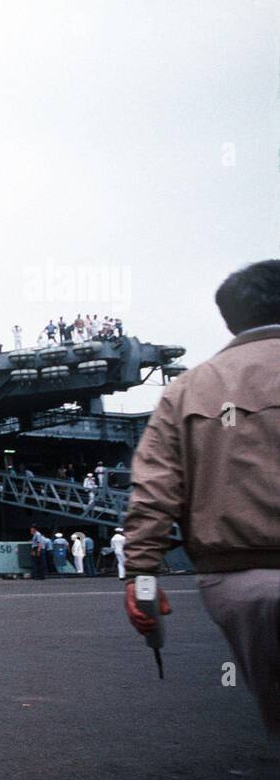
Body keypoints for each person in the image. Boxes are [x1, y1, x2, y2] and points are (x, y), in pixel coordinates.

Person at [122, 260, 280, 736]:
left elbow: (153, 494)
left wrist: (141, 579)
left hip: (243, 584)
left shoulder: (188, 389)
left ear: (229, 319)